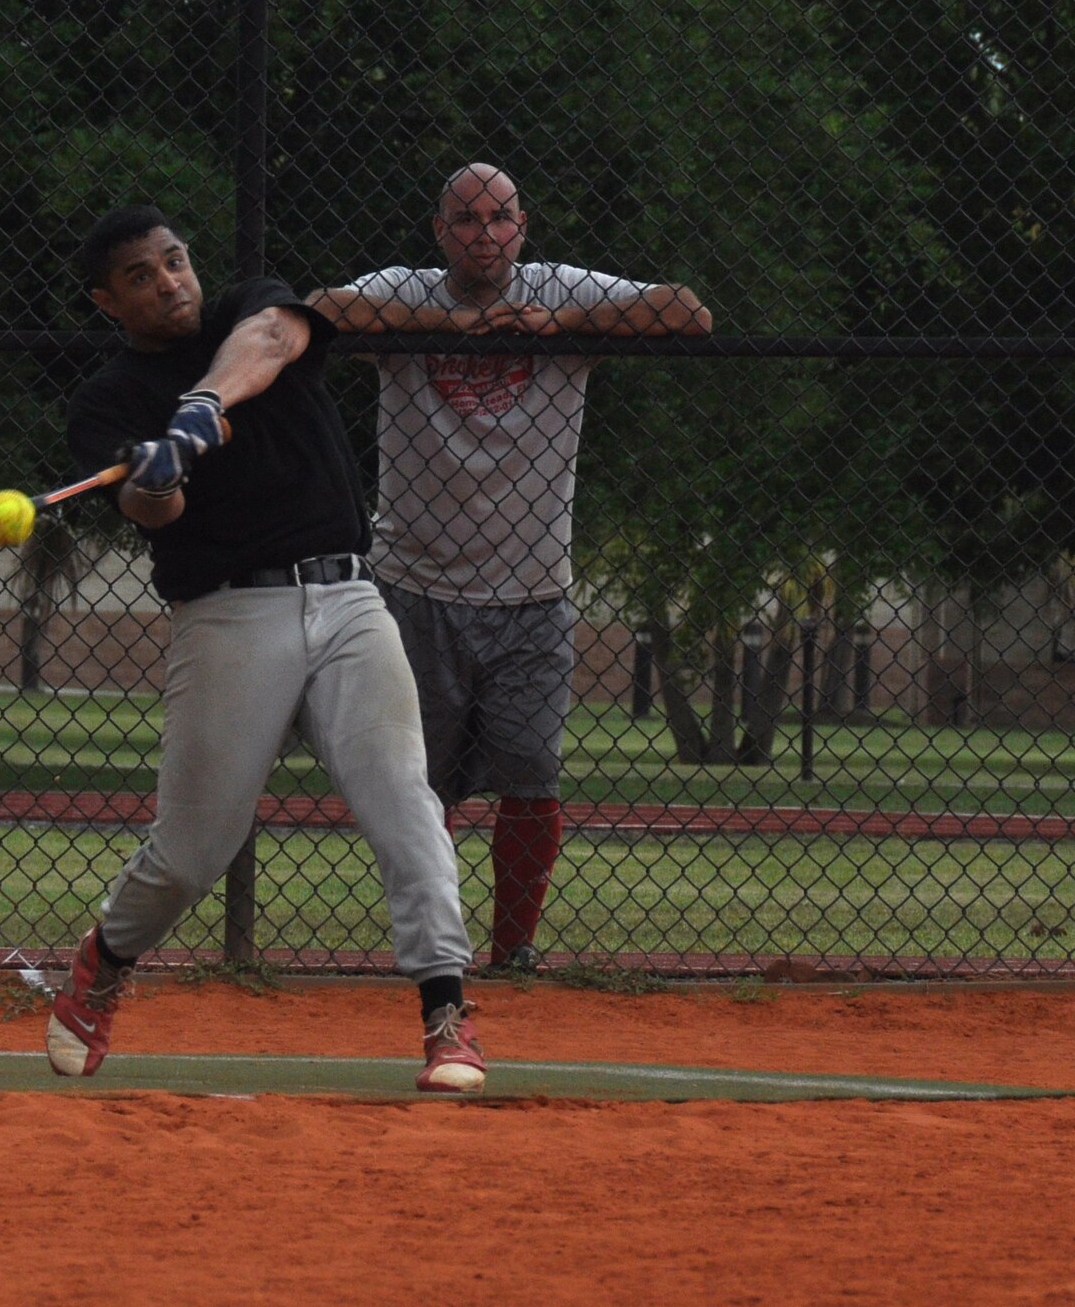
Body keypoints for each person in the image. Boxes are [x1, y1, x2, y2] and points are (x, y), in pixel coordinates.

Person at [48, 203, 486, 1094]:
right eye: (142, 275)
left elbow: (275, 336)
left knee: (405, 798)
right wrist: (157, 474)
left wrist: (202, 408)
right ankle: (106, 961)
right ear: (107, 302)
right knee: (193, 850)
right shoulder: (105, 404)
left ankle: (447, 1015)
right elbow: (149, 513)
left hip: (350, 597)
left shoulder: (246, 309)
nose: (169, 282)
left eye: (175, 261)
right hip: (228, 616)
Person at [306, 163, 712, 971]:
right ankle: (437, 947)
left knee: (532, 774)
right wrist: (444, 334)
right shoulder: (412, 292)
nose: (483, 236)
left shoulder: (558, 288)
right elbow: (317, 312)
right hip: (415, 586)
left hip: (533, 588)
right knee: (421, 786)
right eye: (465, 220)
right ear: (439, 231)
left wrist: (564, 329)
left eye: (499, 220)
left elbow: (688, 313)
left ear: (523, 226)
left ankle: (513, 950)